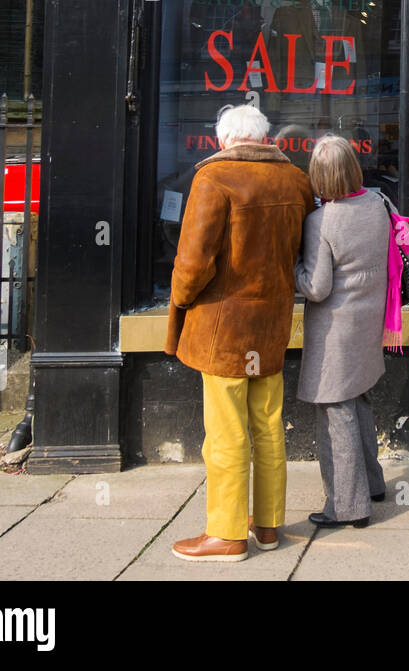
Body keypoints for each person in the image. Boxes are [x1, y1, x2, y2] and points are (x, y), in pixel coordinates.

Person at [165, 104, 313, 562]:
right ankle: (268, 526)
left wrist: (182, 300)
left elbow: (192, 263)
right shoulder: (296, 180)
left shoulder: (213, 179)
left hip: (223, 327)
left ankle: (226, 533)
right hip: (270, 323)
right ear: (264, 138)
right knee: (268, 426)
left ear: (223, 140)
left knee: (226, 432)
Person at [294, 135, 391, 528]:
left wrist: (293, 269)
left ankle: (348, 507)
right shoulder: (380, 203)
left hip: (336, 330)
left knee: (337, 410)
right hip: (370, 321)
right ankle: (372, 483)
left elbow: (317, 287)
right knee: (358, 399)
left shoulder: (321, 222)